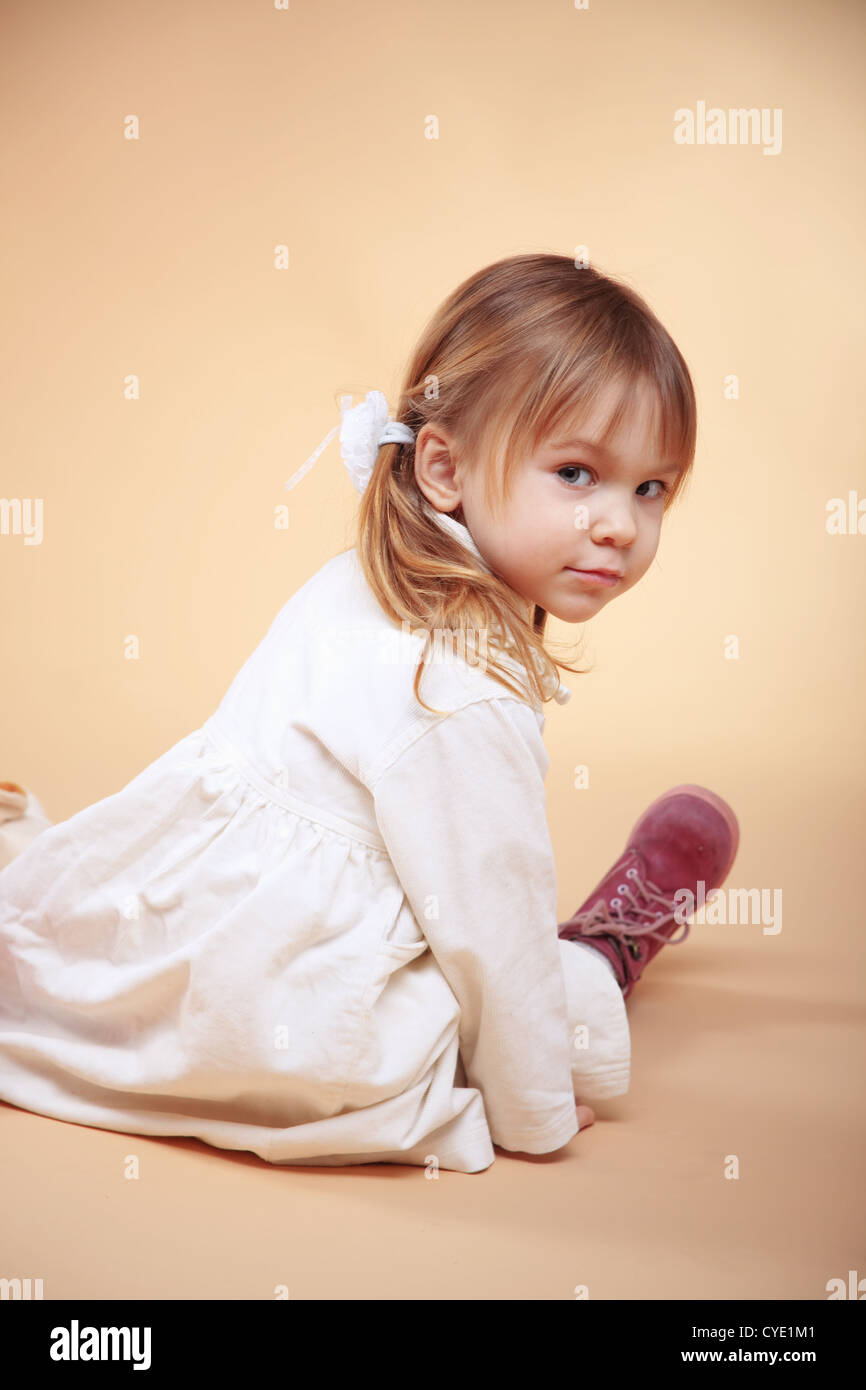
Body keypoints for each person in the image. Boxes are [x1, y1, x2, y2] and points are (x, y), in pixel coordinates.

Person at [0, 252, 739, 1174]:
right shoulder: (460, 689)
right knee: (526, 991)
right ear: (443, 468)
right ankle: (605, 951)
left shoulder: (358, 580)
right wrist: (537, 1112)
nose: (621, 525)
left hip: (204, 947)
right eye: (578, 473)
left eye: (650, 488)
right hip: (299, 1022)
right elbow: (491, 926)